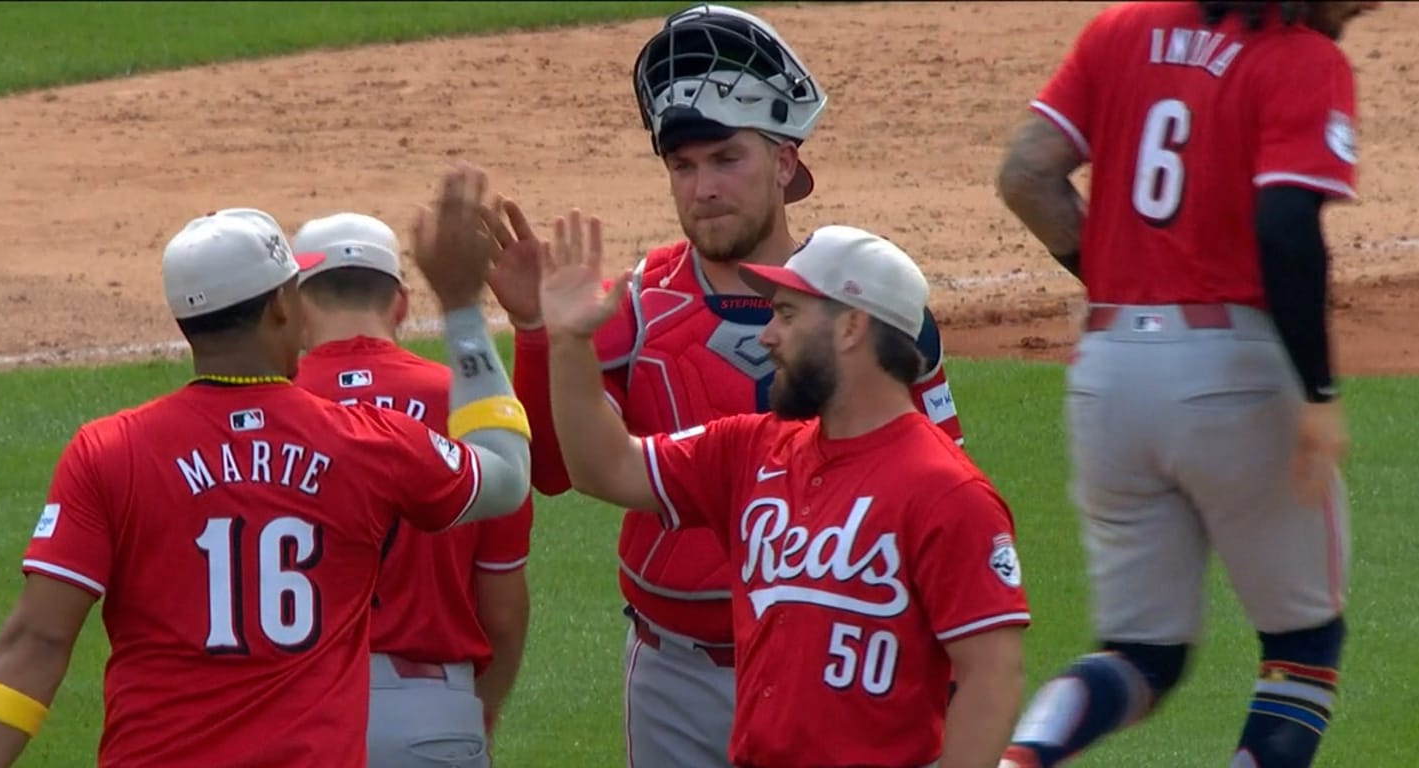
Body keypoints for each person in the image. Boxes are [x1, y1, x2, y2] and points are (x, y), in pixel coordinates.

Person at [484, 6, 964, 765]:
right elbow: (549, 472)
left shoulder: (869, 306)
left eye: (725, 159)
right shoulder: (632, 310)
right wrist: (544, 338)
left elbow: (944, 494)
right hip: (679, 672)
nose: (702, 188)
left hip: (837, 669)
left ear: (783, 162)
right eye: (683, 167)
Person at [0, 169, 532, 768]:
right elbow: (505, 474)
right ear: (283, 308)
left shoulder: (110, 450)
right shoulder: (364, 442)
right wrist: (464, 311)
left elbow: (35, 643)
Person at [992, 2, 1376, 766]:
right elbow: (1285, 228)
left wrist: (1124, 282)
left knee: (1142, 656)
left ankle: (1022, 757)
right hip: (1232, 375)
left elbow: (1026, 174)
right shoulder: (1300, 59)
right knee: (1303, 645)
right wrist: (1320, 395)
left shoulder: (1118, 31)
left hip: (1106, 379)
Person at [538, 213, 1029, 768]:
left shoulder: (946, 491)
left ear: (850, 328)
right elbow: (606, 468)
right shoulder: (750, 450)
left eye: (788, 315)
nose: (767, 335)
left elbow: (992, 672)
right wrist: (569, 344)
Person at [290, 211, 533, 768]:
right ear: (400, 303)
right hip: (431, 713)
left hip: (296, 713)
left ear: (292, 306)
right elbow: (503, 611)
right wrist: (477, 712)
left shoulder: (268, 412)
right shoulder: (474, 410)